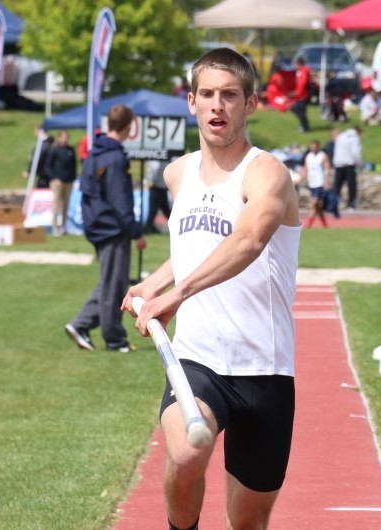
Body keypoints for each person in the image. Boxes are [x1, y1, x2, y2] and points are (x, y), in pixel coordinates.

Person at [121, 47, 301, 530]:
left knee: (247, 521)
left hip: (265, 368)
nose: (217, 105)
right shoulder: (177, 174)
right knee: (184, 454)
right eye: (208, 94)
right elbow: (192, 244)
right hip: (198, 359)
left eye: (230, 95)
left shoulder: (267, 173)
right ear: (191, 102)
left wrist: (175, 295)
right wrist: (154, 281)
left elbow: (246, 240)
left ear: (250, 104)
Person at [64, 104, 147, 353]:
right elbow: (120, 199)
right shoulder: (114, 157)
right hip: (111, 227)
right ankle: (111, 337)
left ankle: (84, 326)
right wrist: (135, 231)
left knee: (112, 281)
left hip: (96, 223)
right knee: (114, 284)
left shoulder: (95, 152)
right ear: (129, 126)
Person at [44, 130, 78, 237]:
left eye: (66, 137)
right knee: (56, 204)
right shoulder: (54, 150)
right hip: (57, 181)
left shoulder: (70, 150)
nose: (65, 139)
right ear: (59, 138)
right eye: (63, 137)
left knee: (66, 205)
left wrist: (73, 177)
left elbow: (74, 165)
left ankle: (63, 226)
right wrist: (54, 178)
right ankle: (54, 226)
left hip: (68, 180)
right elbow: (48, 166)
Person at [301, 139, 332, 228]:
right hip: (312, 183)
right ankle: (324, 224)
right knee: (318, 206)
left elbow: (327, 169)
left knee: (313, 203)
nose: (313, 149)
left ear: (318, 147)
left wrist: (327, 182)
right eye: (311, 147)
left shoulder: (322, 156)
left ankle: (309, 224)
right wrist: (300, 179)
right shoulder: (308, 156)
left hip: (320, 182)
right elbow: (305, 169)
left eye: (314, 147)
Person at [332, 126, 362, 211]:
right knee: (351, 185)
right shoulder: (354, 138)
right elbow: (355, 153)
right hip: (349, 164)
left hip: (338, 164)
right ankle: (351, 204)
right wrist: (360, 164)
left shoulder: (341, 136)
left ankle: (333, 204)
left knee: (337, 185)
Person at [145, 158, 173, 234]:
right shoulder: (166, 158)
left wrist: (150, 180)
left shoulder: (155, 158)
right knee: (165, 210)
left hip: (156, 187)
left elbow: (154, 168)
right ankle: (148, 228)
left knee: (154, 210)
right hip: (162, 187)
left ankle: (147, 228)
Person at [23, 124, 54, 188]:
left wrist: (29, 171)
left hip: (45, 175)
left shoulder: (43, 145)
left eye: (36, 131)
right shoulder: (50, 143)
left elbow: (37, 159)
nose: (34, 133)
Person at [291, 56, 311, 132]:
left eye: (296, 64)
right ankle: (303, 125)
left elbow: (303, 83)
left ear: (299, 63)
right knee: (297, 110)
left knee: (301, 112)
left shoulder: (304, 71)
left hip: (302, 96)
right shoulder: (300, 72)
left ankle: (305, 127)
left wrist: (297, 92)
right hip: (299, 96)